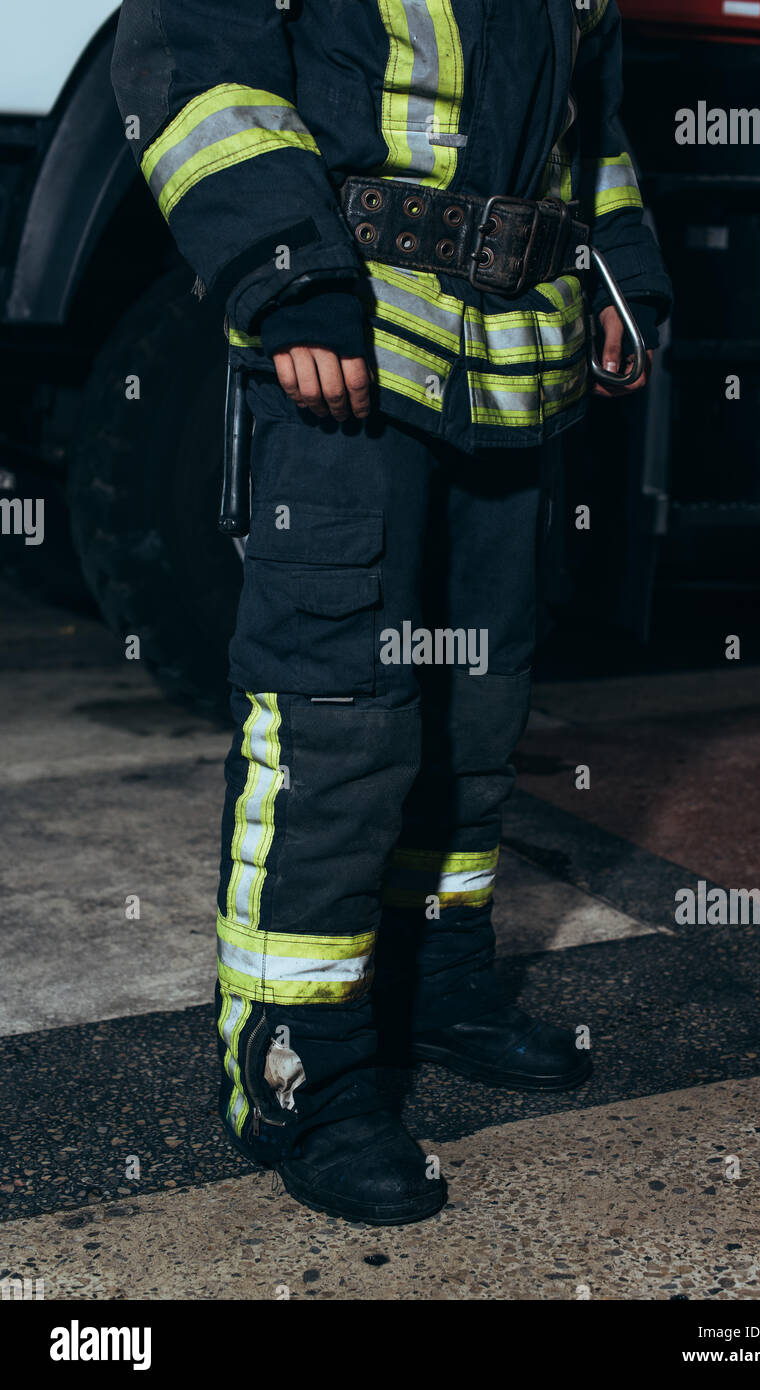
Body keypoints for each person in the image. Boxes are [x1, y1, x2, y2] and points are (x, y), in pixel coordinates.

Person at [111, 0, 672, 1226]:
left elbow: (589, 123)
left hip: (519, 362)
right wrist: (289, 275)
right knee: (337, 721)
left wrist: (621, 273)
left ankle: (442, 982)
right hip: (352, 345)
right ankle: (297, 1066)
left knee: (478, 708)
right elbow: (195, 63)